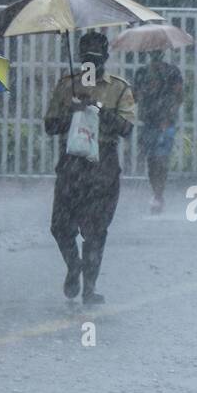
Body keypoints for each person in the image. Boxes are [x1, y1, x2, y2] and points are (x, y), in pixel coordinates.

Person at [44, 30, 136, 304]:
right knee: (60, 226)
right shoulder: (66, 86)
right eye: (86, 58)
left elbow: (126, 128)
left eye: (96, 59)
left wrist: (97, 109)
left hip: (102, 165)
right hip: (72, 162)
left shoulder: (119, 88)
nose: (91, 64)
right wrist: (71, 111)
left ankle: (89, 287)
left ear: (106, 58)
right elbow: (50, 125)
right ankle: (74, 265)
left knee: (96, 231)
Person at [133, 49, 184, 213]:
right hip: (149, 122)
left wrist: (169, 115)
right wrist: (143, 91)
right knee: (152, 160)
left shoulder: (172, 72)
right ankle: (157, 193)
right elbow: (134, 96)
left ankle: (158, 194)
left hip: (165, 123)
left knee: (161, 158)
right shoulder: (142, 73)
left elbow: (179, 95)